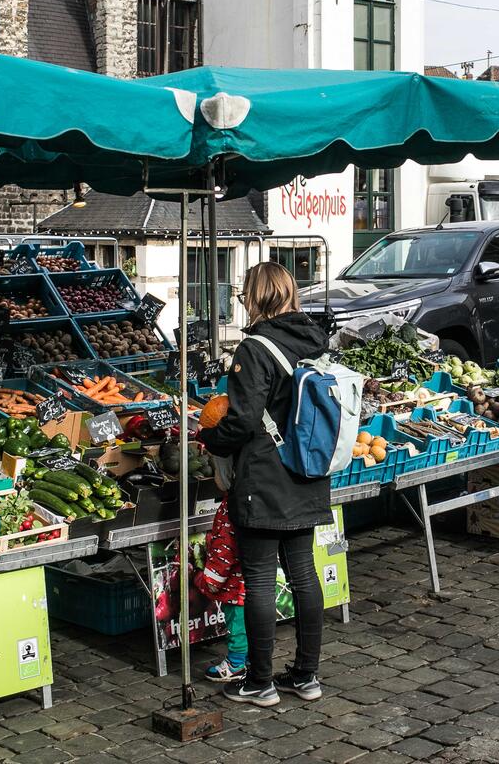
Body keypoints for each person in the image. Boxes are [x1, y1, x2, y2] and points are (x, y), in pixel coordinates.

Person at [198, 262, 331, 707]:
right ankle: (306, 676)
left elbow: (241, 421)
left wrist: (208, 437)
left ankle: (259, 681)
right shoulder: (314, 340)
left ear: (256, 298)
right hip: (307, 471)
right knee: (304, 574)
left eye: (245, 295)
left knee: (257, 579)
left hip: (264, 476)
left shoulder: (254, 348)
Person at [196, 459, 248, 683]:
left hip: (235, 587)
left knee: (237, 624)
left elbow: (222, 552)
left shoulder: (229, 510)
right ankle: (251, 658)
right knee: (252, 623)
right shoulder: (251, 502)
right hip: (253, 580)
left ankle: (236, 663)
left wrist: (208, 580)